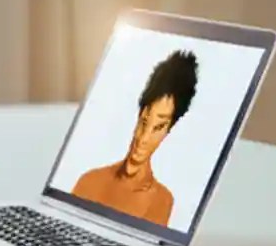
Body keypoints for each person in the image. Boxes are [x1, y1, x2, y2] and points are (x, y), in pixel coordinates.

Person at [71, 50, 199, 227]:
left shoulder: (161, 200)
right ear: (139, 114)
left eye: (158, 127)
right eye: (144, 121)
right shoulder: (89, 181)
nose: (143, 138)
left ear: (168, 131)